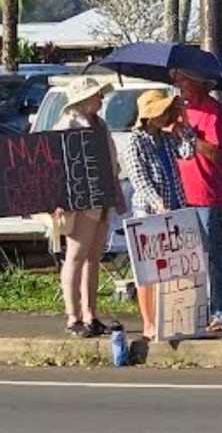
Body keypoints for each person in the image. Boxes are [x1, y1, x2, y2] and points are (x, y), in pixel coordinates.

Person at [53, 77, 126, 338]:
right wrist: (58, 198)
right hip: (79, 200)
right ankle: (73, 317)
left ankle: (90, 313)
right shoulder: (67, 125)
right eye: (96, 95)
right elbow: (56, 166)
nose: (101, 98)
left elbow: (111, 161)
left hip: (102, 195)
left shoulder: (101, 124)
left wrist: (116, 193)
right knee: (76, 255)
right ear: (83, 99)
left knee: (94, 257)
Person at [123, 90, 196, 340]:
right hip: (148, 213)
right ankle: (149, 322)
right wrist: (158, 203)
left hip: (175, 208)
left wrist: (183, 123)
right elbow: (139, 179)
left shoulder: (165, 139)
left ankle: (172, 319)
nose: (166, 116)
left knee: (173, 270)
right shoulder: (135, 141)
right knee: (148, 272)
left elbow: (188, 151)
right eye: (163, 111)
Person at [172, 68, 222, 333]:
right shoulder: (178, 109)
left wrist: (193, 138)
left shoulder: (214, 111)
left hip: (208, 194)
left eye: (185, 79)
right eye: (178, 79)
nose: (179, 84)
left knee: (213, 255)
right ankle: (193, 309)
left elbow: (219, 155)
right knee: (187, 257)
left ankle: (219, 310)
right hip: (180, 193)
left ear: (200, 81)